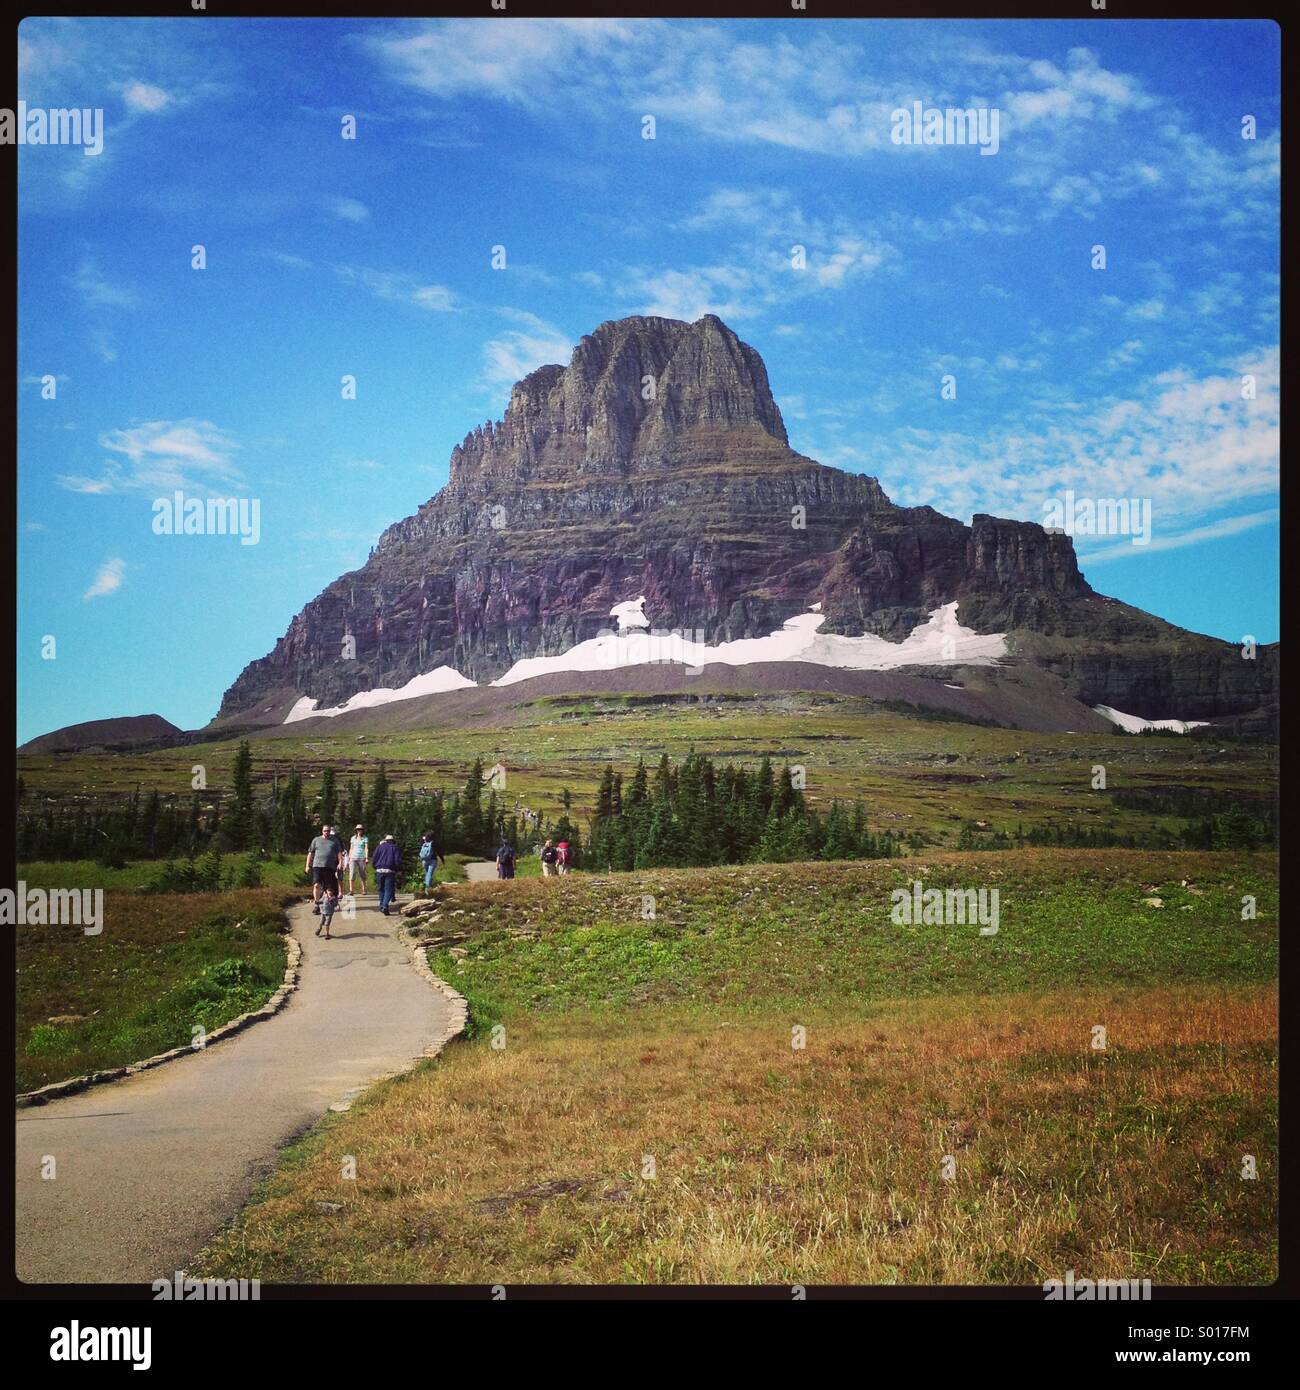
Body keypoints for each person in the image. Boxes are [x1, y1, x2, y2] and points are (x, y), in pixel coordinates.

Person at [305, 823, 340, 914]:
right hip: (317, 866)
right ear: (322, 831)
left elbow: (339, 853)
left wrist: (340, 863)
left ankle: (330, 904)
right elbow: (310, 853)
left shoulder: (334, 840)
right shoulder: (316, 840)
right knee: (316, 885)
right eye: (325, 831)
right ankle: (317, 905)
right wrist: (307, 865)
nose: (326, 832)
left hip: (330, 867)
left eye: (328, 831)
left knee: (329, 888)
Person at [372, 833, 403, 915]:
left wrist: (375, 866)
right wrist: (398, 869)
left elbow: (374, 858)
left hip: (379, 870)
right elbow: (397, 860)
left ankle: (381, 905)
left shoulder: (379, 847)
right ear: (393, 841)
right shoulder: (394, 847)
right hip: (390, 871)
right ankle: (385, 905)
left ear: (385, 840)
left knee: (381, 889)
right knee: (388, 889)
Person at [348, 824, 369, 893]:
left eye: (360, 829)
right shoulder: (353, 838)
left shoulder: (365, 838)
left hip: (361, 857)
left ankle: (364, 889)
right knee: (352, 873)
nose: (359, 831)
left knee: (362, 873)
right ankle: (351, 890)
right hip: (353, 857)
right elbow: (351, 848)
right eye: (358, 829)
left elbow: (366, 848)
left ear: (362, 830)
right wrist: (349, 857)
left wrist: (366, 857)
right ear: (356, 830)